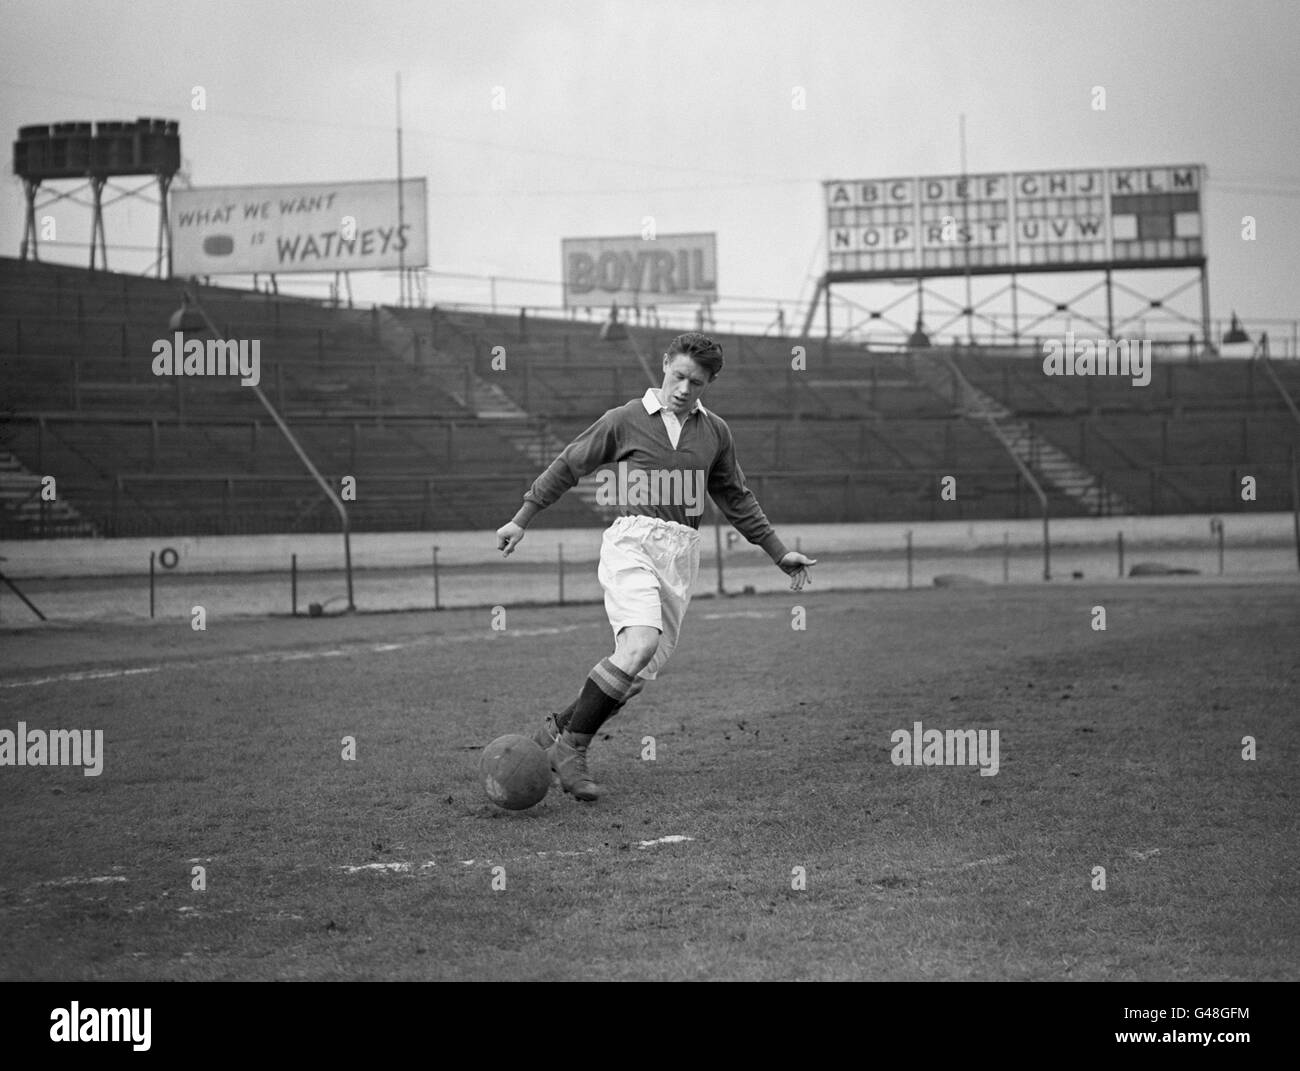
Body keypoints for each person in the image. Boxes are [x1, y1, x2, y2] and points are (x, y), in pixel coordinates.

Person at [495, 332, 816, 802]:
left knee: (636, 675)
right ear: (665, 365)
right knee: (640, 644)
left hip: (681, 555)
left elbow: (734, 495)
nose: (684, 388)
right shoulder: (623, 420)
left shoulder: (716, 432)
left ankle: (553, 734)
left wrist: (777, 550)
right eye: (678, 376)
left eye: (697, 382)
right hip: (633, 542)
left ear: (709, 384)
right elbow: (568, 465)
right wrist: (522, 518)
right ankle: (572, 750)